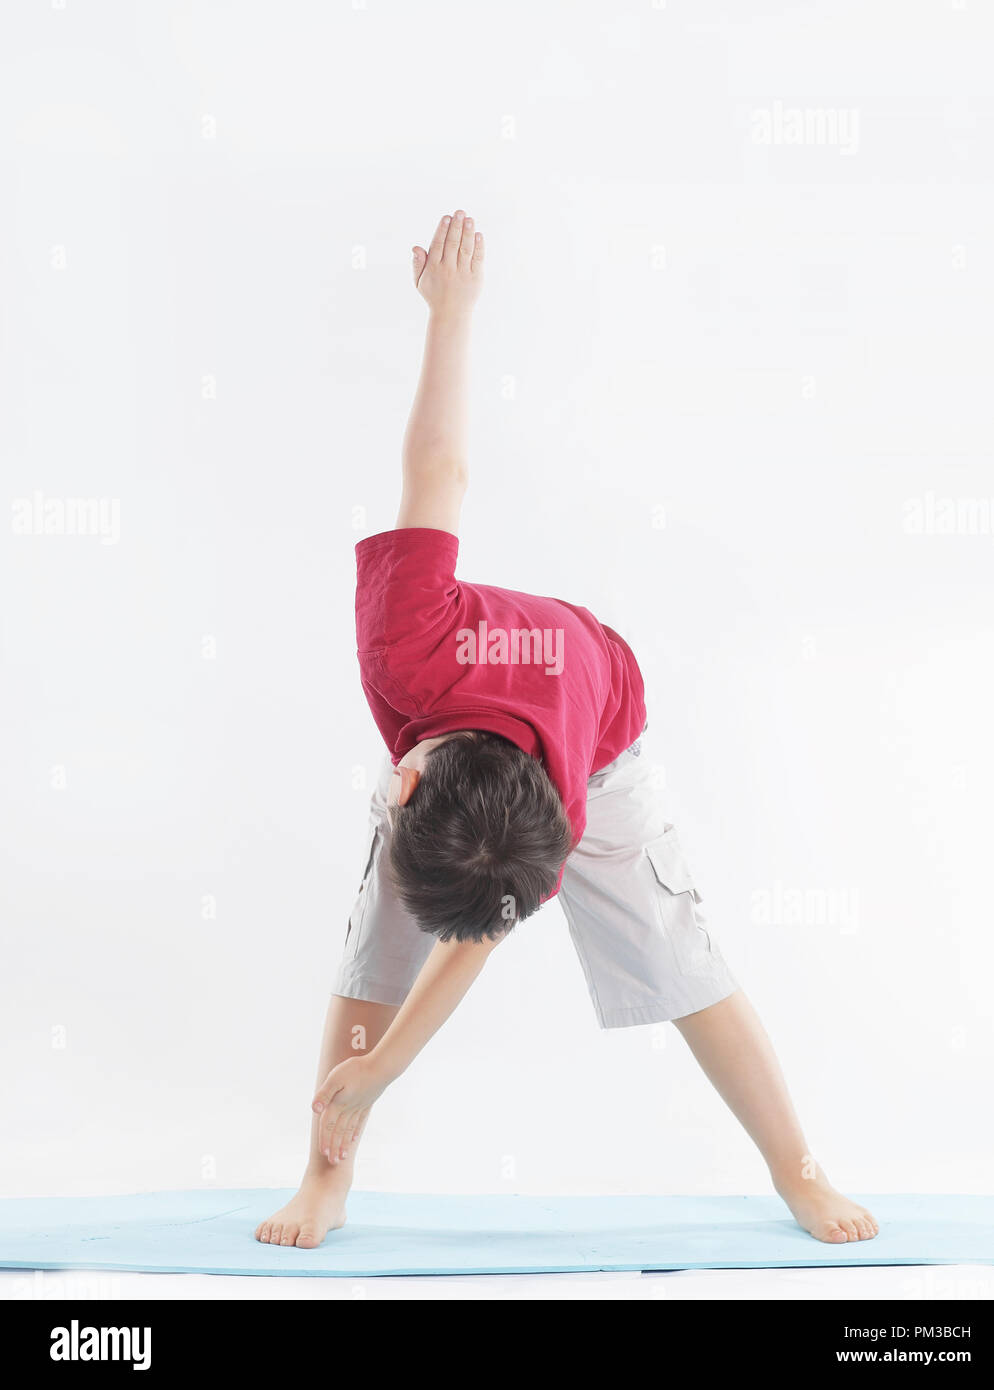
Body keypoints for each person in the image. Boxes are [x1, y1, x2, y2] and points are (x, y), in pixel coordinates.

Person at [255, 211, 878, 1251]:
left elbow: (482, 927)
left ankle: (798, 1167)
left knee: (685, 957)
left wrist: (387, 1069)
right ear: (403, 785)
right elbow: (440, 467)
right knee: (378, 941)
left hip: (598, 740)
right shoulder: (407, 638)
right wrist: (452, 316)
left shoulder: (564, 808)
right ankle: (324, 1180)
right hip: (494, 723)